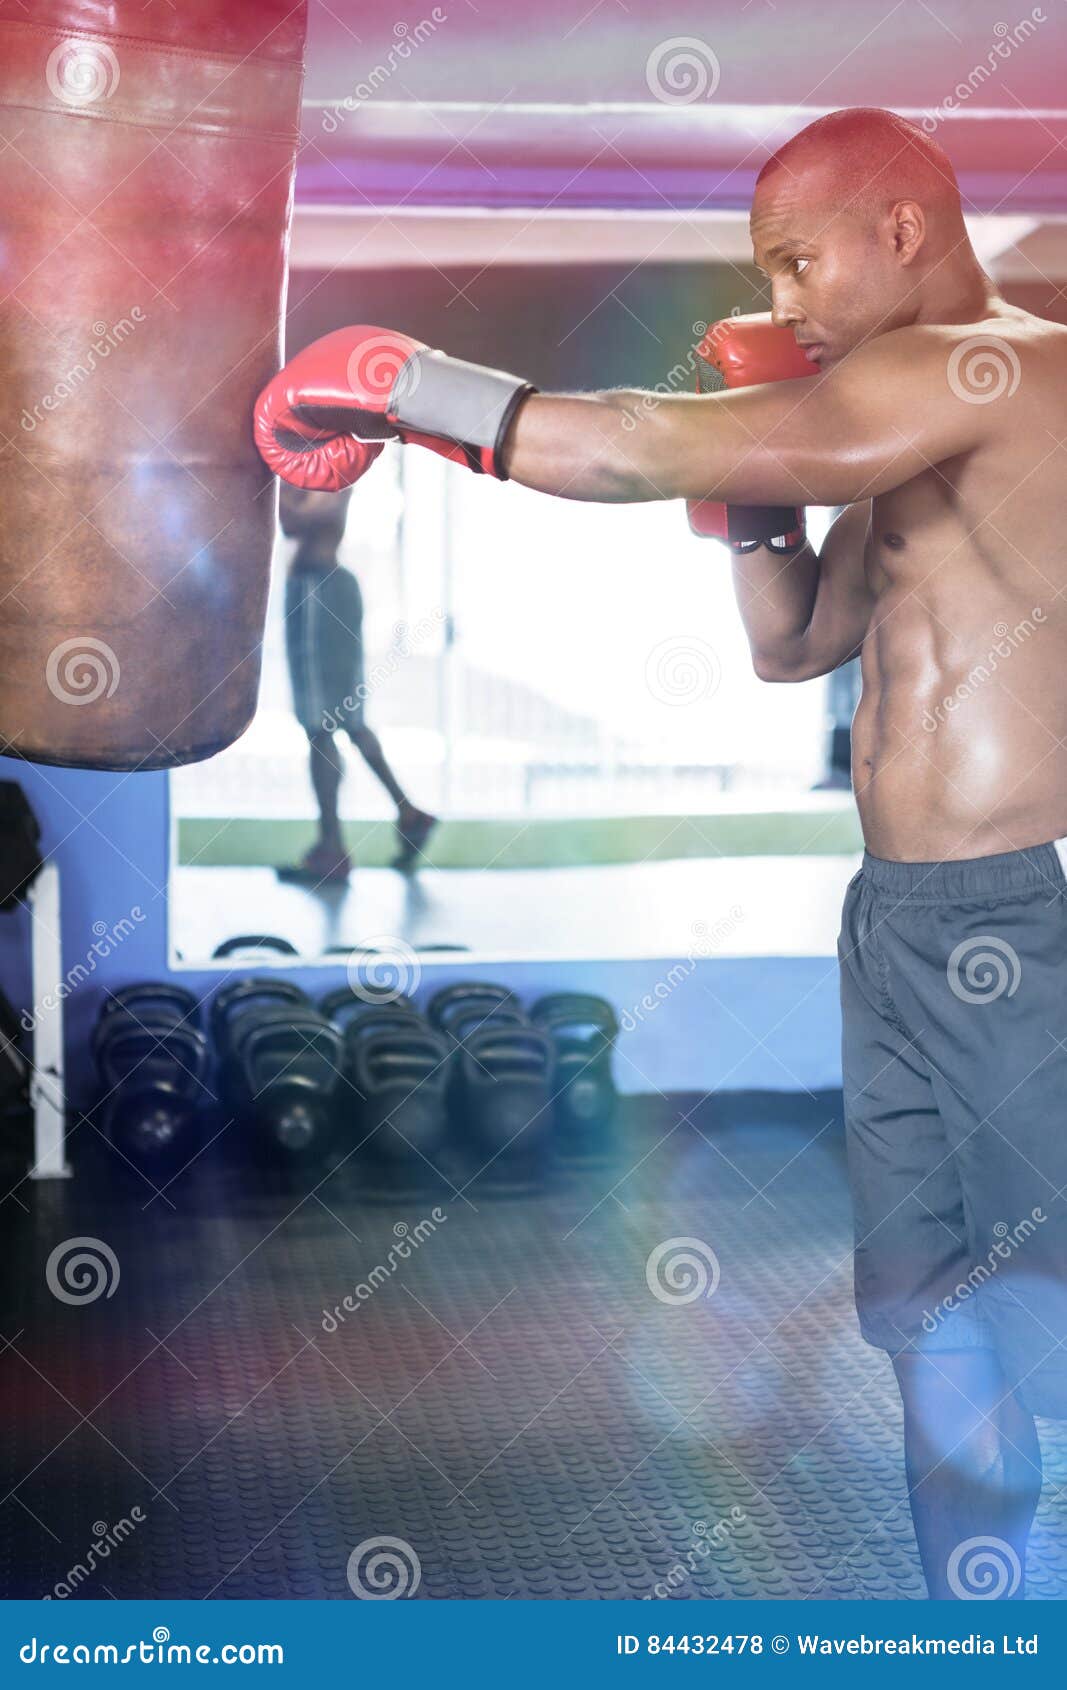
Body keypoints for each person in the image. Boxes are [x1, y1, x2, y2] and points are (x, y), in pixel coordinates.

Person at [256, 106, 1067, 1600]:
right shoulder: (897, 428)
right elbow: (792, 643)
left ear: (900, 229)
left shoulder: (996, 369)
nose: (782, 303)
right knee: (923, 1312)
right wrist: (755, 484)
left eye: (798, 262)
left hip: (1015, 921)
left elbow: (631, 445)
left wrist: (406, 383)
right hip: (896, 920)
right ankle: (975, 1624)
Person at [277, 482, 436, 882]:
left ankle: (332, 848)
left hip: (320, 591)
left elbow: (293, 520)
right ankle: (406, 814)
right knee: (338, 723)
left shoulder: (329, 463)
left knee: (323, 725)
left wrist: (276, 478)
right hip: (313, 590)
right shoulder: (309, 461)